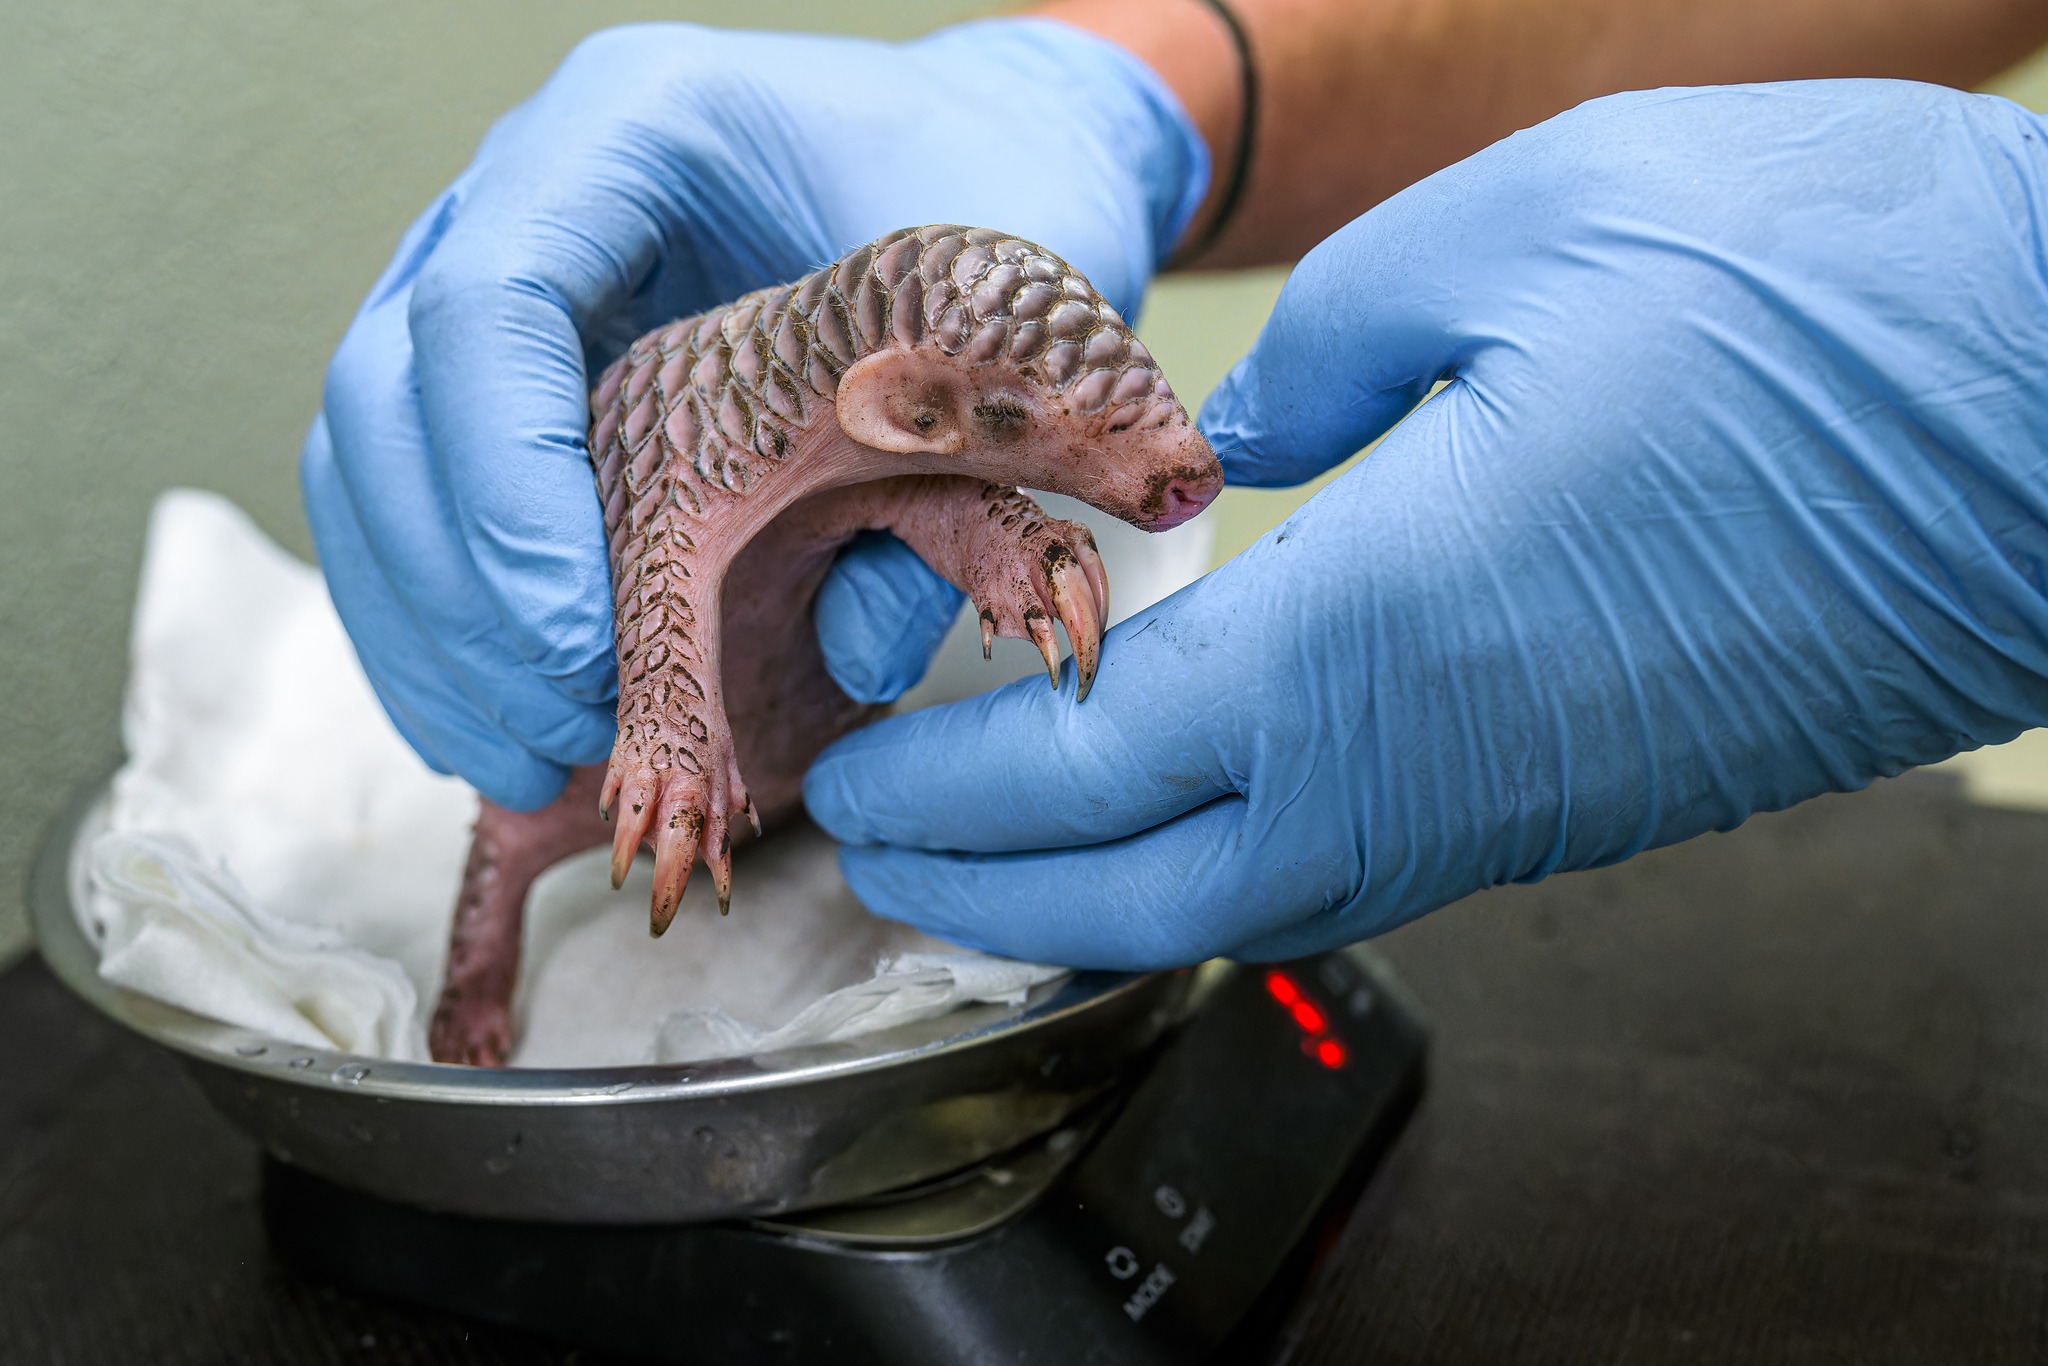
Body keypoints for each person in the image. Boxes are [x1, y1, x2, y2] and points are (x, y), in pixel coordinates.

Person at [305, 0, 2048, 966]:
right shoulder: (738, 416)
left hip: (800, 715)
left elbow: (920, 490)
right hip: (665, 721)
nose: (1165, 472)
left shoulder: (918, 423)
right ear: (900, 399)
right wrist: (1157, 80)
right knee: (535, 814)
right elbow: (695, 539)